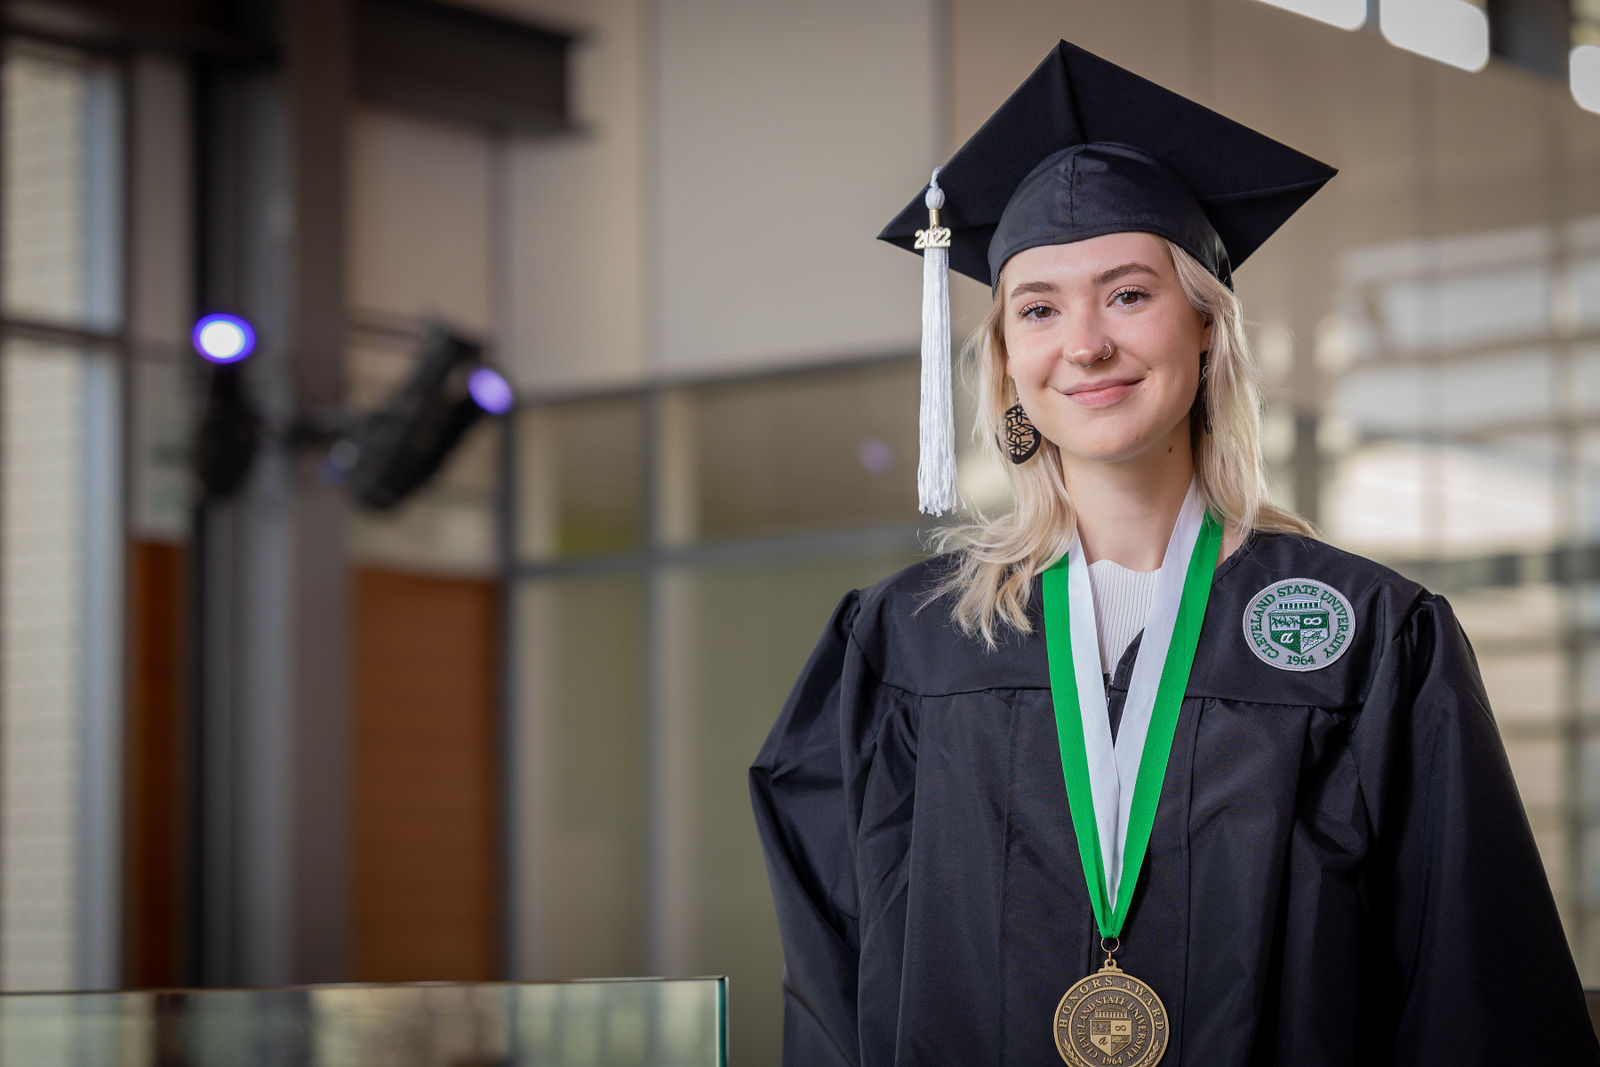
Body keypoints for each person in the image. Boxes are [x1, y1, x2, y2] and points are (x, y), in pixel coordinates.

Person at [749, 40, 1600, 1067]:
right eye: (1039, 308)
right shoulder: (904, 641)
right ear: (1009, 364)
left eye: (1128, 293)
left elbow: (1469, 979)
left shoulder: (1369, 635)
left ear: (1205, 327)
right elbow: (836, 988)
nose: (1086, 343)